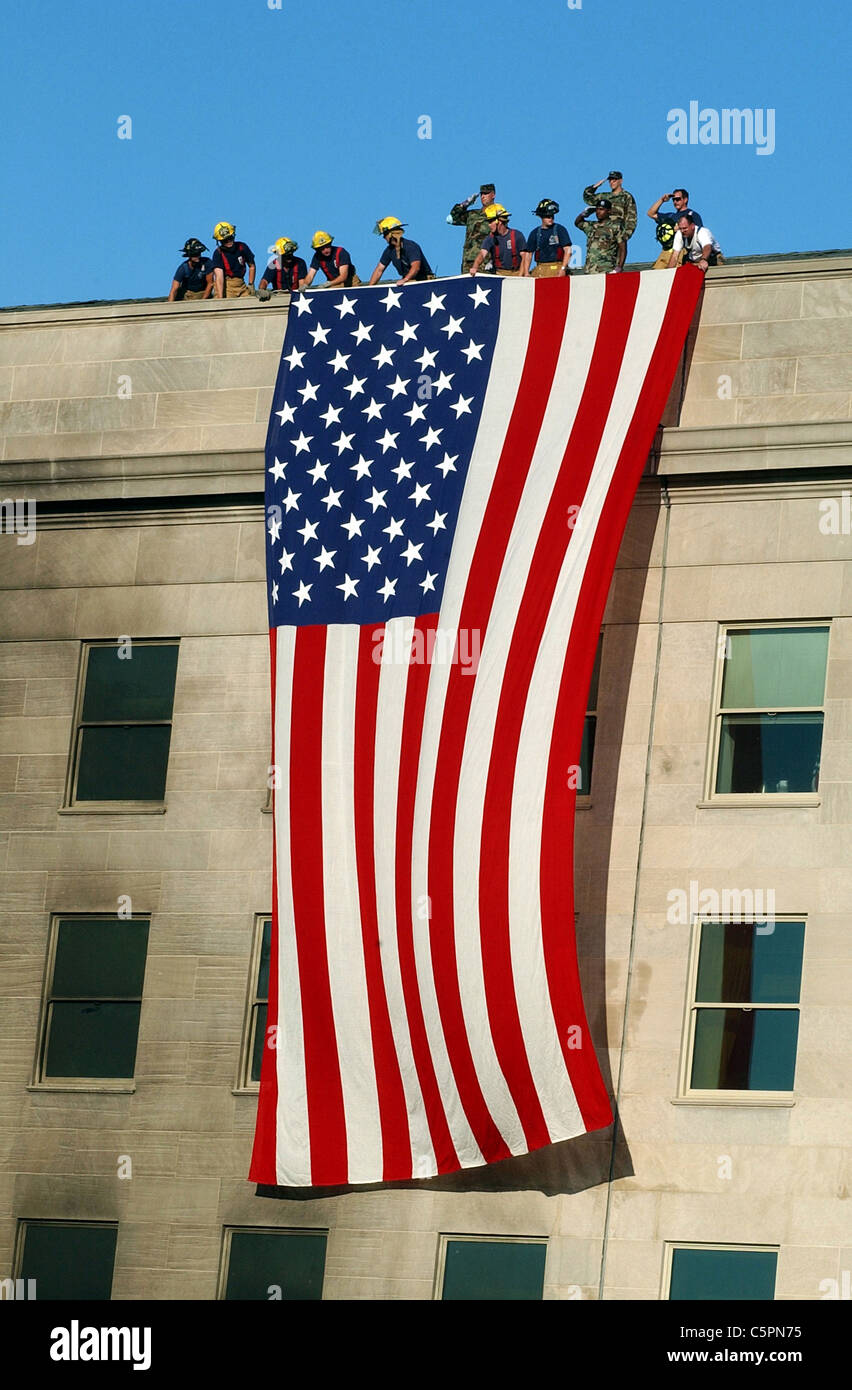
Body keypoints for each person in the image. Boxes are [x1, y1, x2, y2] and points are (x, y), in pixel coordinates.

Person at [582, 170, 637, 269]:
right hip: (604, 232)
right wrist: (595, 186)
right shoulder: (605, 196)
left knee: (616, 263)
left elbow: (631, 218)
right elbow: (587, 197)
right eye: (610, 180)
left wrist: (625, 235)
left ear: (621, 181)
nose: (612, 182)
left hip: (617, 232)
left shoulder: (626, 197)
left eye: (614, 180)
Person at [646, 189, 703, 269]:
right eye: (673, 200)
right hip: (667, 251)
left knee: (675, 273)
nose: (675, 202)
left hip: (682, 250)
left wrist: (680, 229)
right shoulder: (670, 216)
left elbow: (698, 234)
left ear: (685, 199)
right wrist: (662, 200)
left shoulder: (692, 215)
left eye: (678, 199)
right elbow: (651, 213)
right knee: (657, 273)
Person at [448, 182, 497, 274]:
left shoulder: (498, 214)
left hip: (485, 261)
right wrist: (466, 203)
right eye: (482, 194)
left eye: (486, 193)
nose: (483, 196)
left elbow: (501, 237)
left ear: (493, 195)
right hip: (467, 261)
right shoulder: (473, 214)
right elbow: (451, 219)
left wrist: (492, 261)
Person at [368, 217, 434, 284]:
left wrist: (405, 280)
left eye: (385, 234)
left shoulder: (410, 246)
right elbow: (379, 269)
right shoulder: (389, 250)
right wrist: (369, 288)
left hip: (423, 282)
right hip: (408, 282)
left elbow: (415, 267)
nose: (384, 237)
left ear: (391, 234)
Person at [469, 205, 528, 277]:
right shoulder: (490, 239)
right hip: (499, 275)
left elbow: (524, 257)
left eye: (491, 221)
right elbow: (482, 254)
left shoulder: (517, 235)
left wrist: (520, 276)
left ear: (499, 222)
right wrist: (475, 267)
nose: (489, 225)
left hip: (517, 274)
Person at [525, 199, 572, 278]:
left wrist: (563, 269)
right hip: (540, 270)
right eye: (547, 216)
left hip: (557, 269)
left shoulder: (560, 230)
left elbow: (568, 251)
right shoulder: (535, 233)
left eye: (552, 216)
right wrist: (526, 272)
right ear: (541, 216)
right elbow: (529, 254)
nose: (550, 218)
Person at [573, 198, 622, 274]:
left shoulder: (615, 227)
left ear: (609, 211)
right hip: (589, 270)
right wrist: (583, 214)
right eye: (597, 209)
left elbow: (623, 247)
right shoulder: (592, 226)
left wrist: (619, 267)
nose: (598, 212)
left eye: (601, 209)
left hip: (606, 270)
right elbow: (577, 223)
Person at [211, 223, 256, 298]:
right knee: (228, 306)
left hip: (241, 284)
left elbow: (252, 266)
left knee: (250, 302)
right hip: (227, 286)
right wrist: (220, 298)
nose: (229, 241)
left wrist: (251, 285)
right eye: (225, 240)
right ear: (220, 241)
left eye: (230, 238)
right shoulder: (218, 253)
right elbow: (219, 276)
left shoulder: (242, 247)